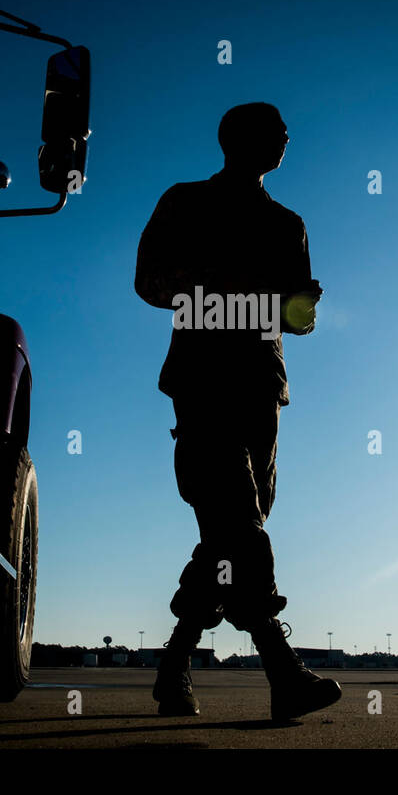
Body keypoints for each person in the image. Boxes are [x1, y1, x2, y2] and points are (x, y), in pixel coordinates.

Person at [134, 102, 341, 721]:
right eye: (273, 132)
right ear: (235, 141)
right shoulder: (185, 202)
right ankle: (282, 668)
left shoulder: (288, 223)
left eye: (285, 133)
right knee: (240, 524)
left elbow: (297, 322)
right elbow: (149, 282)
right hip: (202, 384)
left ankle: (173, 670)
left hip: (261, 389)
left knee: (228, 535)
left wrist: (296, 306)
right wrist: (212, 286)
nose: (284, 139)